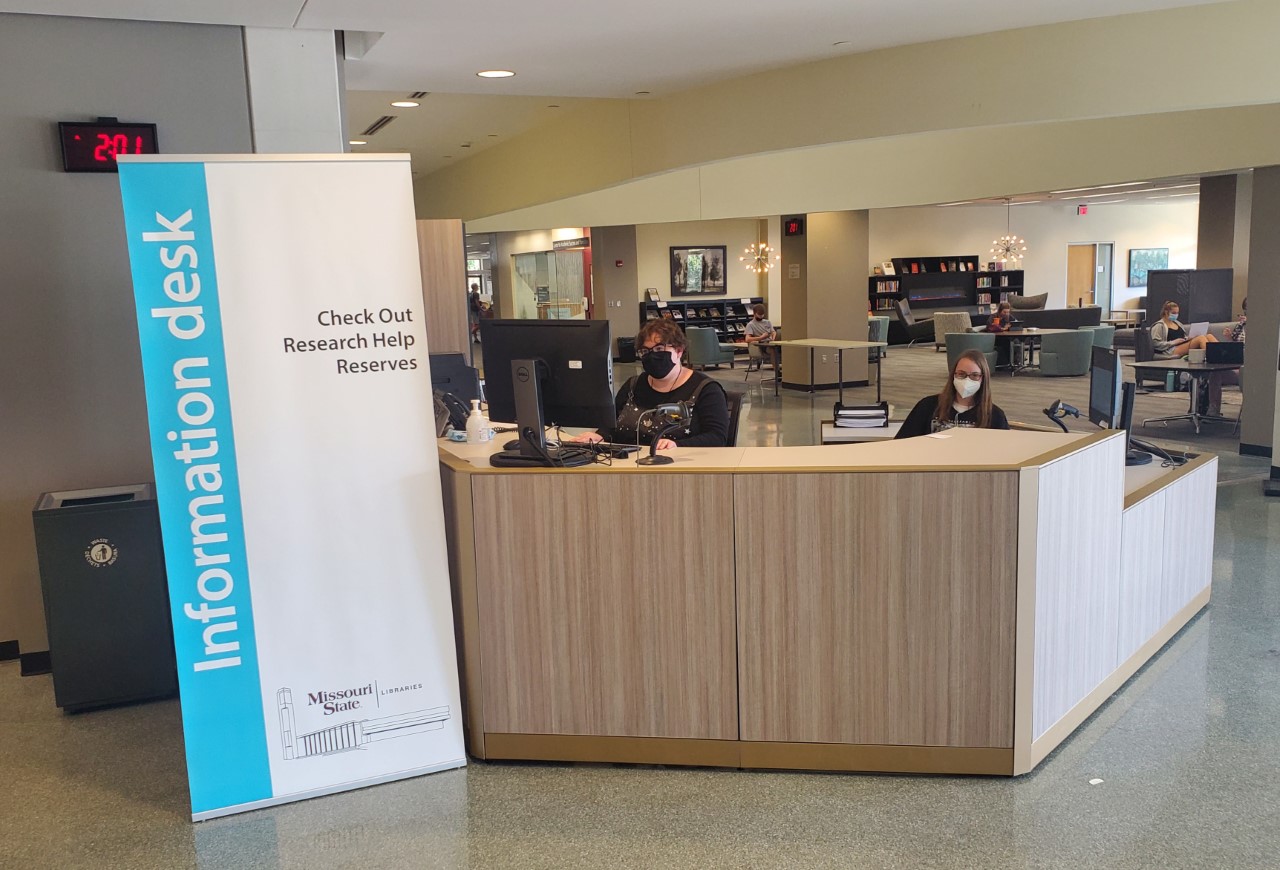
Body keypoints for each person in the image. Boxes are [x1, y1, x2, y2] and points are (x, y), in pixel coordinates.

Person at [571, 319, 730, 449]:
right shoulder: (633, 385)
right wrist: (600, 435)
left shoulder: (705, 389)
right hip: (629, 464)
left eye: (660, 348)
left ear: (679, 351)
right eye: (645, 351)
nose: (652, 355)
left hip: (679, 469)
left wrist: (677, 445)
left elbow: (717, 437)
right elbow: (612, 424)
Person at [895, 349, 1010, 438]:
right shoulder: (927, 406)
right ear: (953, 375)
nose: (967, 380)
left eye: (974, 375)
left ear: (983, 379)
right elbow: (902, 443)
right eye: (961, 374)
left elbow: (1005, 454)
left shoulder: (995, 415)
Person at [1150, 300, 1223, 414]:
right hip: (1171, 349)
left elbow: (1184, 337)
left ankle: (1221, 354)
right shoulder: (1159, 326)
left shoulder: (1178, 324)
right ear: (1166, 312)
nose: (1175, 315)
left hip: (1182, 345)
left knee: (1208, 336)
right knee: (1200, 339)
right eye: (1173, 312)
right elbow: (1156, 343)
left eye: (1177, 313)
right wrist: (1173, 342)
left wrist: (1187, 338)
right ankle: (1212, 358)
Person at [743, 303, 776, 371]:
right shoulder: (750, 325)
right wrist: (761, 337)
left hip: (770, 342)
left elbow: (773, 332)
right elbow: (747, 339)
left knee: (781, 348)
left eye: (762, 315)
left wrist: (773, 337)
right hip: (761, 345)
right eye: (759, 315)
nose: (761, 316)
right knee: (773, 349)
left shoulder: (768, 322)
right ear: (754, 314)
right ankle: (777, 371)